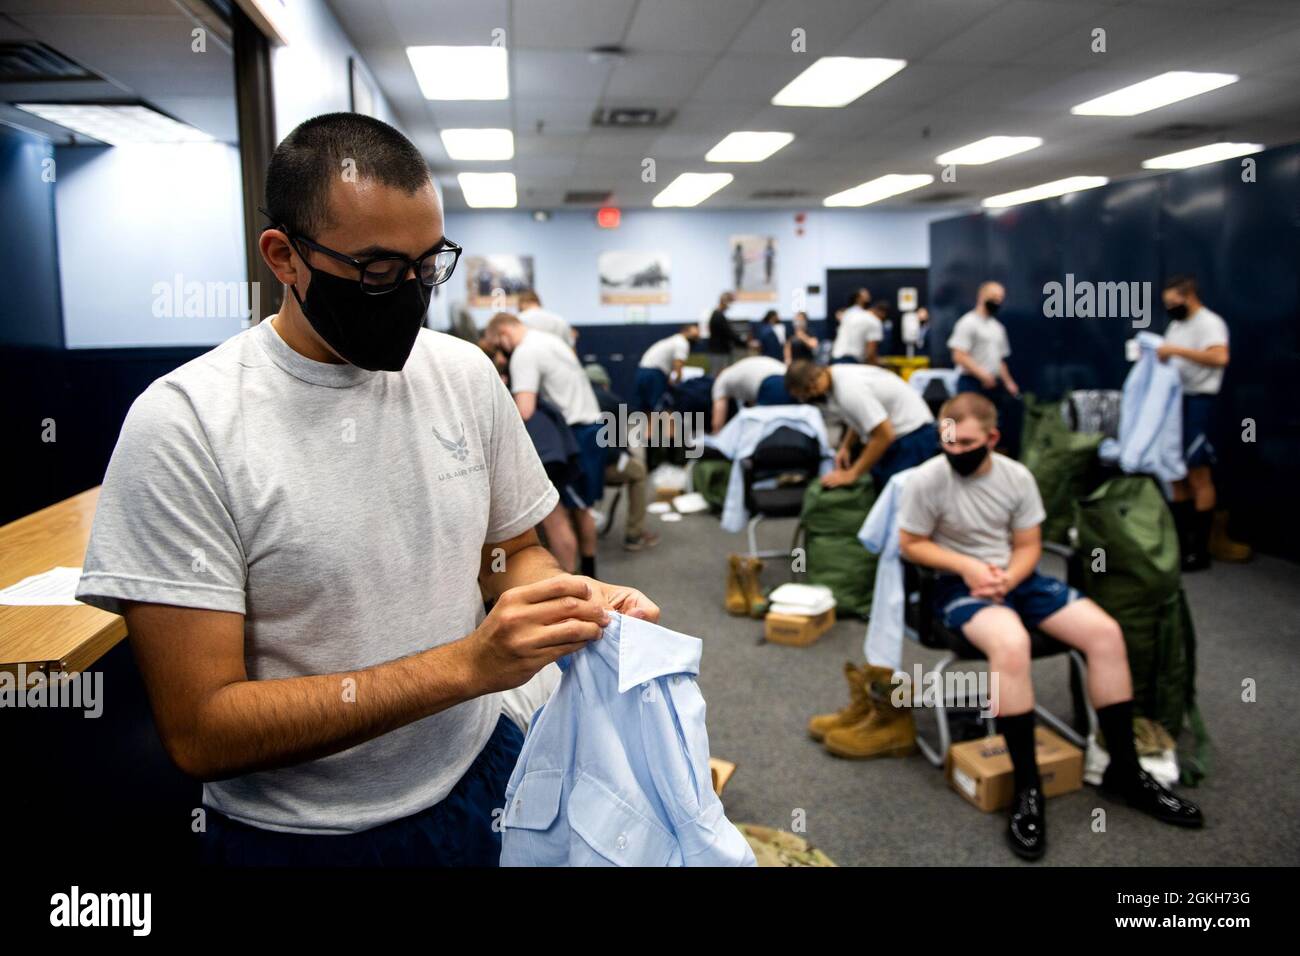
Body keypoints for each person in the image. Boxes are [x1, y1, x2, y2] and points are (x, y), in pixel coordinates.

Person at [73, 112, 659, 867]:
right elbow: (201, 729)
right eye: (379, 271)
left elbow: (510, 553)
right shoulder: (186, 424)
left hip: (484, 779)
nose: (409, 294)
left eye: (428, 266)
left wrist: (560, 602)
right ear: (284, 257)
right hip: (304, 838)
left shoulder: (463, 375)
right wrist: (467, 666)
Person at [897, 393, 1203, 860]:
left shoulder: (1016, 477)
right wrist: (971, 568)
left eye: (968, 443)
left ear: (993, 438)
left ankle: (1127, 770)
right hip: (956, 585)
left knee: (1105, 633)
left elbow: (1028, 543)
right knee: (1012, 643)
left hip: (1016, 580)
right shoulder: (926, 479)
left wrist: (1008, 579)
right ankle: (1027, 789)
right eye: (949, 442)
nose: (957, 451)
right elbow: (911, 543)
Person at [484, 312, 606, 581]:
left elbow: (524, 410)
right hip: (590, 427)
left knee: (556, 514)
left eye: (498, 344)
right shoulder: (550, 340)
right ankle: (590, 575)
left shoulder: (526, 353)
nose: (502, 352)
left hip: (571, 437)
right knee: (582, 508)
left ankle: (571, 588)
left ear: (503, 333)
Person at [1156, 275, 1230, 571]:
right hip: (1176, 402)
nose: (1171, 308)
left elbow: (1220, 357)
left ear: (1189, 296)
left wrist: (1176, 352)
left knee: (1198, 473)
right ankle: (1182, 544)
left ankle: (1200, 550)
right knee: (1176, 472)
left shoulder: (1210, 323)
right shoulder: (1176, 325)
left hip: (1200, 401)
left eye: (1174, 303)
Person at [786, 359, 937, 491]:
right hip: (901, 433)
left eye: (807, 391)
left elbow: (884, 435)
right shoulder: (834, 377)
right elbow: (862, 416)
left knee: (898, 496)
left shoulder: (849, 390)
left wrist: (852, 474)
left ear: (814, 378)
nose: (811, 395)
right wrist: (846, 446)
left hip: (913, 436)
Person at [586, 365, 660, 553]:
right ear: (604, 385)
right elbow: (628, 431)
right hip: (604, 467)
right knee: (639, 472)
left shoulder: (570, 398)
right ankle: (634, 535)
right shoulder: (610, 399)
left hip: (575, 470)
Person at [948, 281, 1021, 455]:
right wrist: (982, 375)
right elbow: (958, 355)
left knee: (991, 425)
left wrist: (1009, 383)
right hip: (971, 383)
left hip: (993, 386)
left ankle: (986, 459)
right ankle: (957, 455)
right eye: (994, 297)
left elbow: (1000, 360)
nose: (997, 301)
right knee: (964, 422)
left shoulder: (997, 327)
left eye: (1000, 298)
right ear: (982, 296)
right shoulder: (968, 322)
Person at [709, 355, 790, 432]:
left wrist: (715, 439)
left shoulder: (720, 381)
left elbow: (717, 422)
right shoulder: (737, 371)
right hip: (789, 377)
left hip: (771, 382)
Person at [636, 323, 699, 413]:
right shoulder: (682, 342)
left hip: (641, 372)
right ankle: (669, 427)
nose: (697, 336)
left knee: (646, 410)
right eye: (695, 334)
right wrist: (678, 383)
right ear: (685, 331)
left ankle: (648, 427)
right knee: (664, 409)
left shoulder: (672, 340)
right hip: (654, 374)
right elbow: (678, 367)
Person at [830, 288, 881, 364]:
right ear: (858, 299)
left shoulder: (847, 314)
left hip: (836, 358)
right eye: (866, 296)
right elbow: (871, 352)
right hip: (853, 361)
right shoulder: (871, 320)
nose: (869, 297)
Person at [707, 292, 745, 374]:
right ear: (724, 301)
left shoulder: (719, 315)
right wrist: (744, 342)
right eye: (731, 302)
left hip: (720, 351)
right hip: (719, 352)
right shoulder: (718, 316)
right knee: (718, 376)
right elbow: (729, 333)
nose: (731, 305)